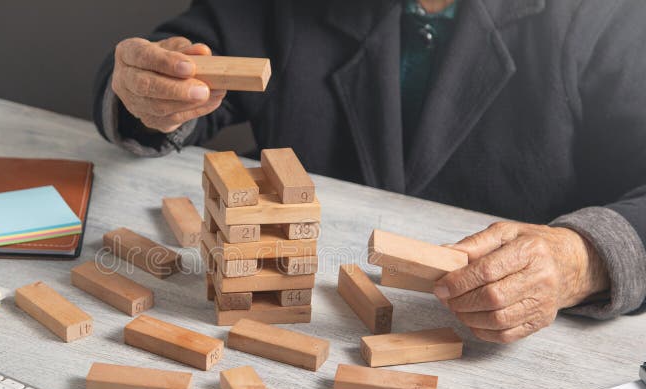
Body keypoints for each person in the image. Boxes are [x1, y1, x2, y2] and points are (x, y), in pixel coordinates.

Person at [93, 0, 646, 343]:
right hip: (304, 320)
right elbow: (174, 66)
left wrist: (582, 260)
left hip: (523, 351)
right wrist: (147, 93)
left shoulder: (606, 16)